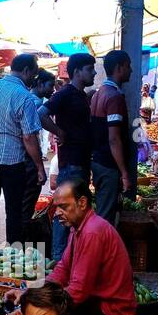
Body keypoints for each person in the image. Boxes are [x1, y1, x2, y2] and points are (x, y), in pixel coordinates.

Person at [5, 178, 135, 315]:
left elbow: (78, 291)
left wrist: (33, 308)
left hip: (110, 310)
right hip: (93, 300)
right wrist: (29, 294)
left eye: (64, 207)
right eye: (56, 207)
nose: (57, 213)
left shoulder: (92, 232)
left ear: (82, 203)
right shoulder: (77, 227)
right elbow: (63, 270)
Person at [0, 53, 46, 245]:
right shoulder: (24, 97)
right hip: (13, 162)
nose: (35, 78)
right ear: (26, 71)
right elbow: (28, 136)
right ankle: (14, 253)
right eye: (34, 73)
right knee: (14, 211)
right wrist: (39, 167)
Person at [40, 53, 96, 260]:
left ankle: (67, 259)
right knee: (65, 212)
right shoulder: (65, 94)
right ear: (77, 71)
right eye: (90, 69)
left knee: (74, 213)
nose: (94, 72)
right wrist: (58, 131)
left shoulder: (81, 95)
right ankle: (58, 259)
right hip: (70, 162)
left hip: (80, 162)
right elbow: (41, 113)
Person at [90, 50, 136, 224]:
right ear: (119, 68)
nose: (131, 70)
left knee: (103, 211)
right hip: (109, 165)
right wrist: (124, 173)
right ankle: (101, 250)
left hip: (99, 161)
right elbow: (114, 138)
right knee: (106, 217)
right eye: (128, 66)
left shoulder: (98, 93)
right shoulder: (114, 97)